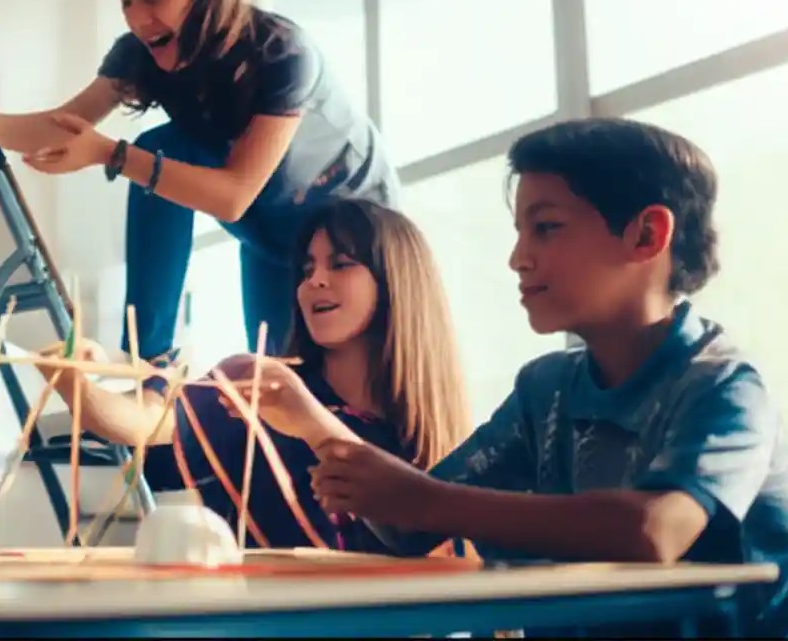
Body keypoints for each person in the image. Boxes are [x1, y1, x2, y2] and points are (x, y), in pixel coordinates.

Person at [290, 119, 788, 638]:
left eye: (546, 228)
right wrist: (349, 463)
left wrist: (422, 500)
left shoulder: (722, 384)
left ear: (646, 234)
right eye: (520, 232)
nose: (518, 259)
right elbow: (410, 527)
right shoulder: (544, 390)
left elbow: (655, 530)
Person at [0, 0, 399, 367]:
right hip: (268, 235)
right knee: (275, 384)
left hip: (353, 223)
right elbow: (65, 125)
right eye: (126, 1)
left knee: (324, 381)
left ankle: (151, 364)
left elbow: (232, 197)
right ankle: (150, 363)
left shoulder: (281, 55)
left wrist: (112, 154)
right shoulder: (137, 55)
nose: (138, 19)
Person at [39, 198, 469, 551]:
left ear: (395, 281)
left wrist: (310, 422)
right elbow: (145, 422)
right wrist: (75, 381)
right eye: (306, 269)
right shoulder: (262, 384)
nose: (314, 281)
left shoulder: (441, 441)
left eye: (340, 264)